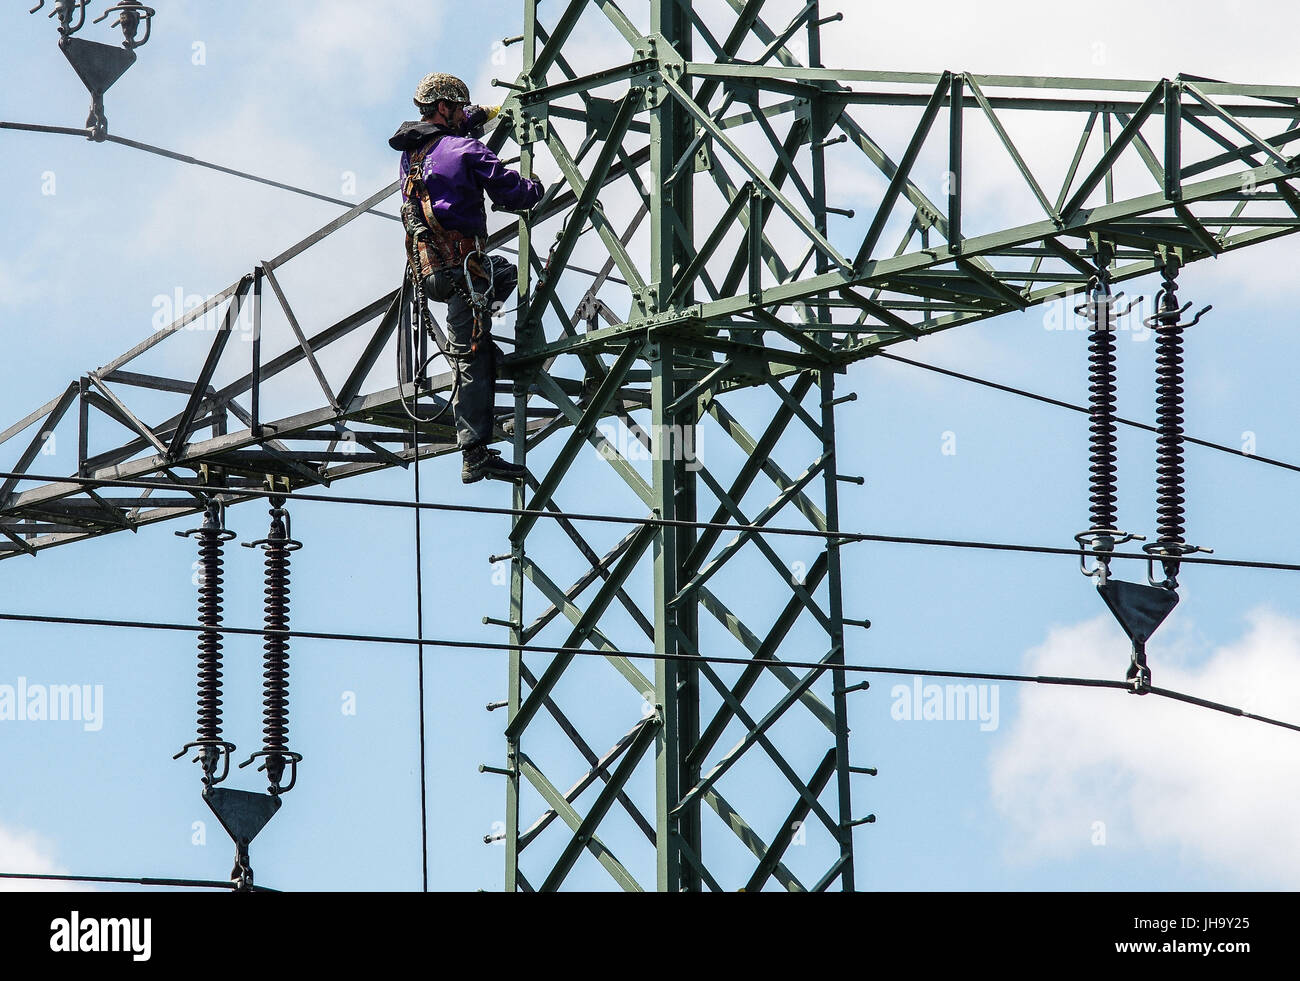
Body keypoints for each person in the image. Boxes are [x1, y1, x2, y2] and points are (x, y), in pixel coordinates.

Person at [389, 72, 544, 484]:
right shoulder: (465, 150)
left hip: (430, 271)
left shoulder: (413, 154)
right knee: (470, 353)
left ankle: (485, 342)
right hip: (462, 270)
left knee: (504, 276)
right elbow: (512, 191)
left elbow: (455, 132)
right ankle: (474, 453)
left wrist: (483, 113)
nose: (461, 114)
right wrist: (535, 189)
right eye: (457, 107)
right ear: (443, 108)